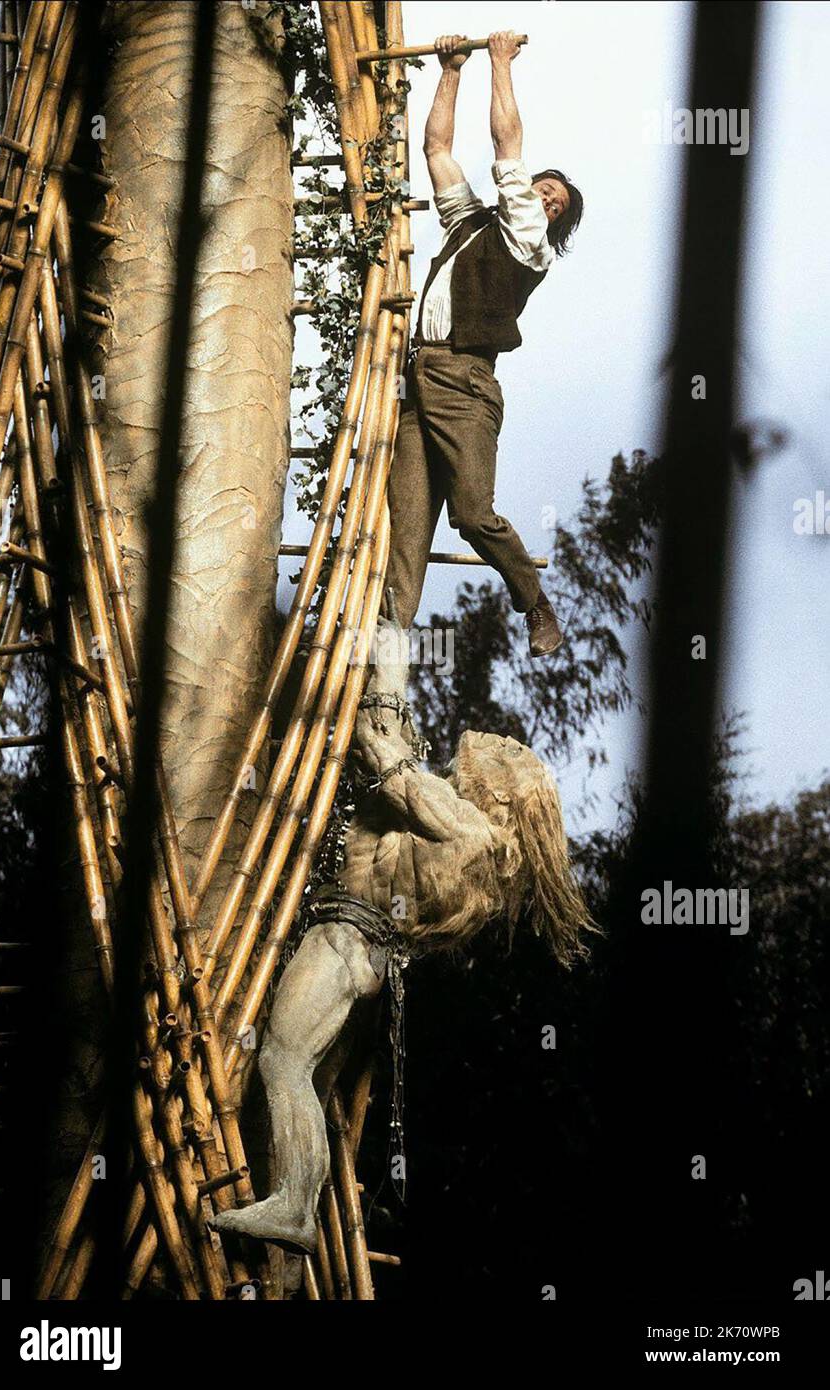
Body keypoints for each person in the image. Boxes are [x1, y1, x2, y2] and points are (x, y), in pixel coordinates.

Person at [209, 611, 592, 1252]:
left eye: (511, 753)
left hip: (342, 940)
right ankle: (294, 1201)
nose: (500, 741)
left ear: (503, 797)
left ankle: (295, 1205)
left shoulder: (470, 826)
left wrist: (389, 668)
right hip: (354, 944)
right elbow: (402, 768)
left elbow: (387, 761)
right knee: (292, 1062)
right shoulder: (472, 832)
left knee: (282, 1060)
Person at [385, 31, 583, 657]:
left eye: (554, 202)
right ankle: (387, 666)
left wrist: (497, 61)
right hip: (420, 378)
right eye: (542, 188)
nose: (542, 198)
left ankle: (536, 602)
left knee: (471, 515)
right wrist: (450, 70)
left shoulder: (529, 239)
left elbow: (506, 143)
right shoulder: (475, 223)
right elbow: (437, 148)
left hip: (467, 386)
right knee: (405, 535)